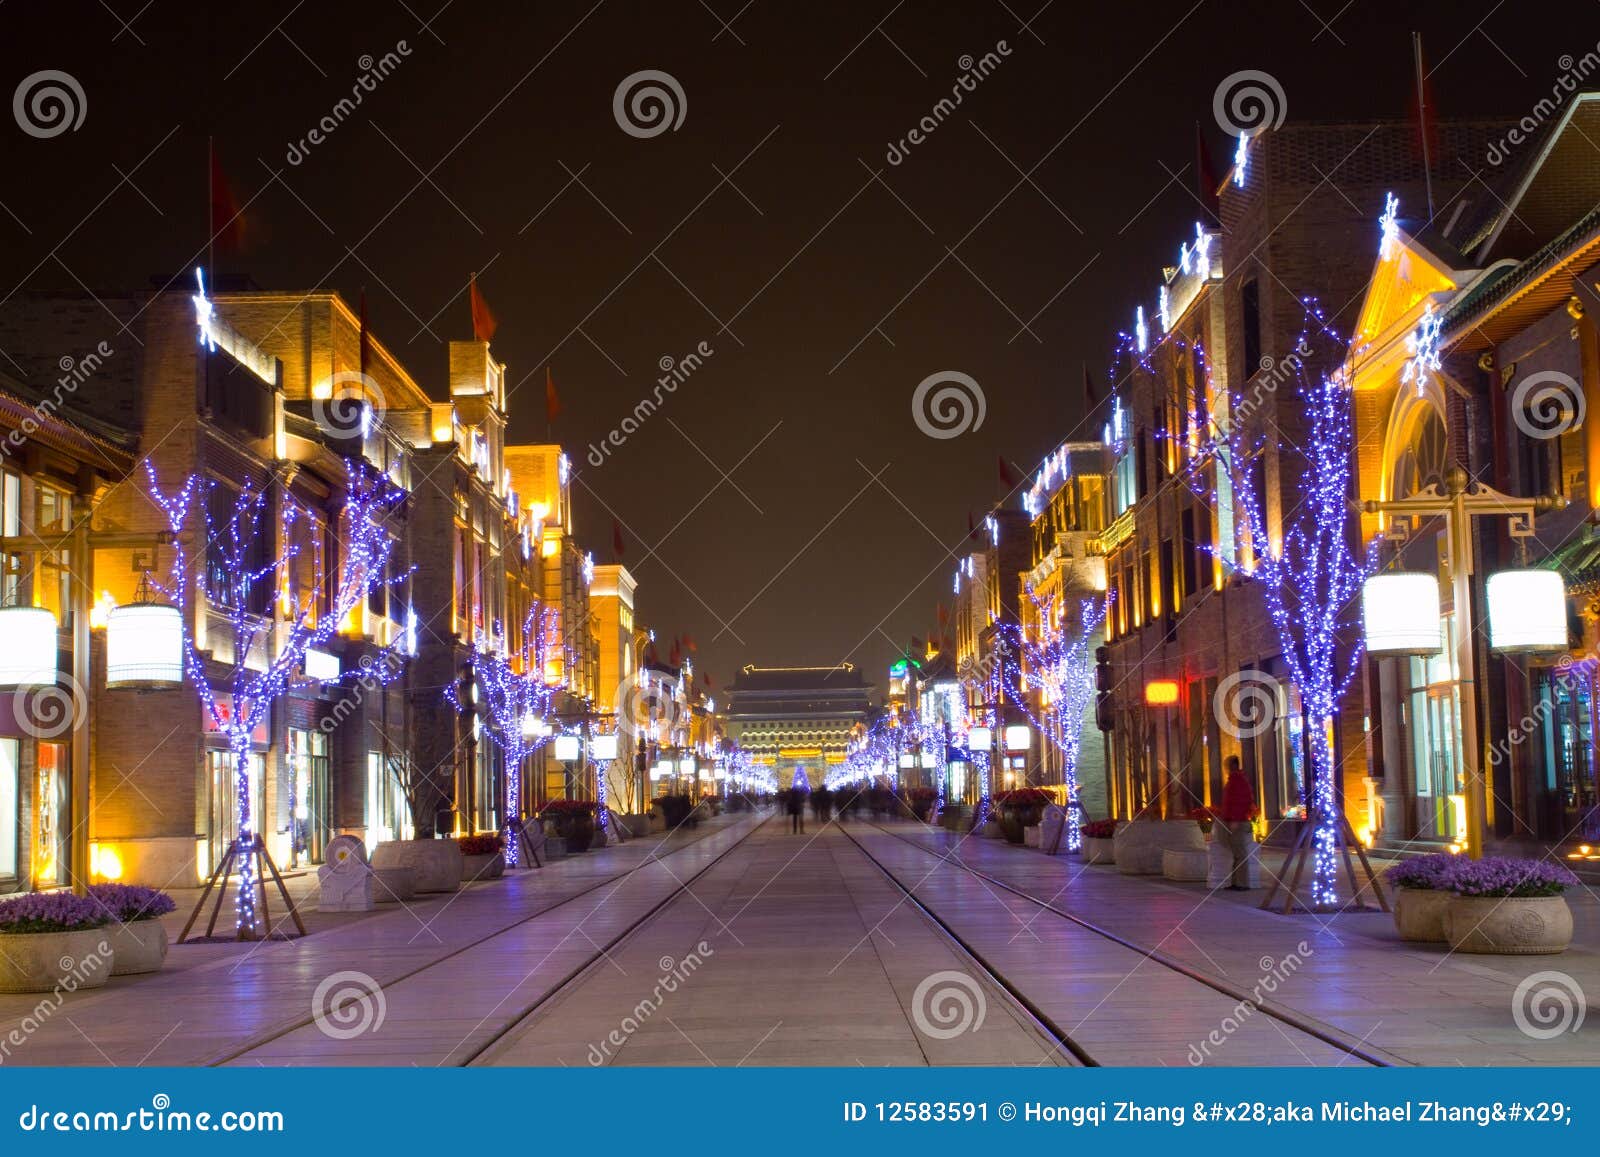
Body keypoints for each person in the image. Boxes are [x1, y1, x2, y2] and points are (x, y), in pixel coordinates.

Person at [1216, 755, 1258, 891]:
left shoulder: (1238, 780)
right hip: (1234, 821)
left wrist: (1236, 819)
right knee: (1237, 853)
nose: (1225, 768)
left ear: (1232, 765)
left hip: (1238, 822)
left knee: (1240, 853)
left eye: (1226, 765)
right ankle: (1236, 882)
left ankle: (1242, 883)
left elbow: (1241, 802)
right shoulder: (1235, 780)